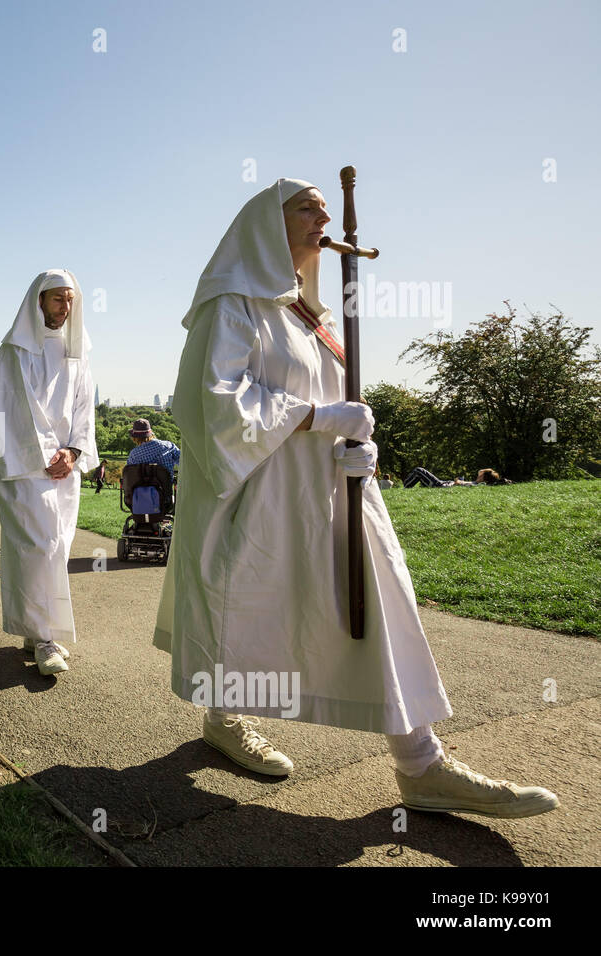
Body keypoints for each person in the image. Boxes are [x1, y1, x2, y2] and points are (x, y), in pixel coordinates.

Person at [152, 177, 557, 817]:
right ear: (267, 223)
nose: (322, 218)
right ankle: (224, 717)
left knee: (379, 600)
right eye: (307, 207)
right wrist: (317, 418)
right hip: (259, 497)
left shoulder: (307, 314)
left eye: (323, 206)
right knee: (245, 602)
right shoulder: (232, 304)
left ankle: (421, 766)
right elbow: (209, 404)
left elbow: (336, 401)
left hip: (335, 492)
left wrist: (356, 443)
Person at [0, 269, 95, 676]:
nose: (65, 308)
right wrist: (50, 454)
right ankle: (45, 638)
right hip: (25, 465)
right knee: (40, 545)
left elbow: (84, 406)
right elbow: (16, 410)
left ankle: (34, 631)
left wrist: (73, 450)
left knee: (55, 548)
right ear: (38, 301)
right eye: (57, 299)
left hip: (64, 467)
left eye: (70, 300)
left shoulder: (79, 348)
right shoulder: (14, 350)